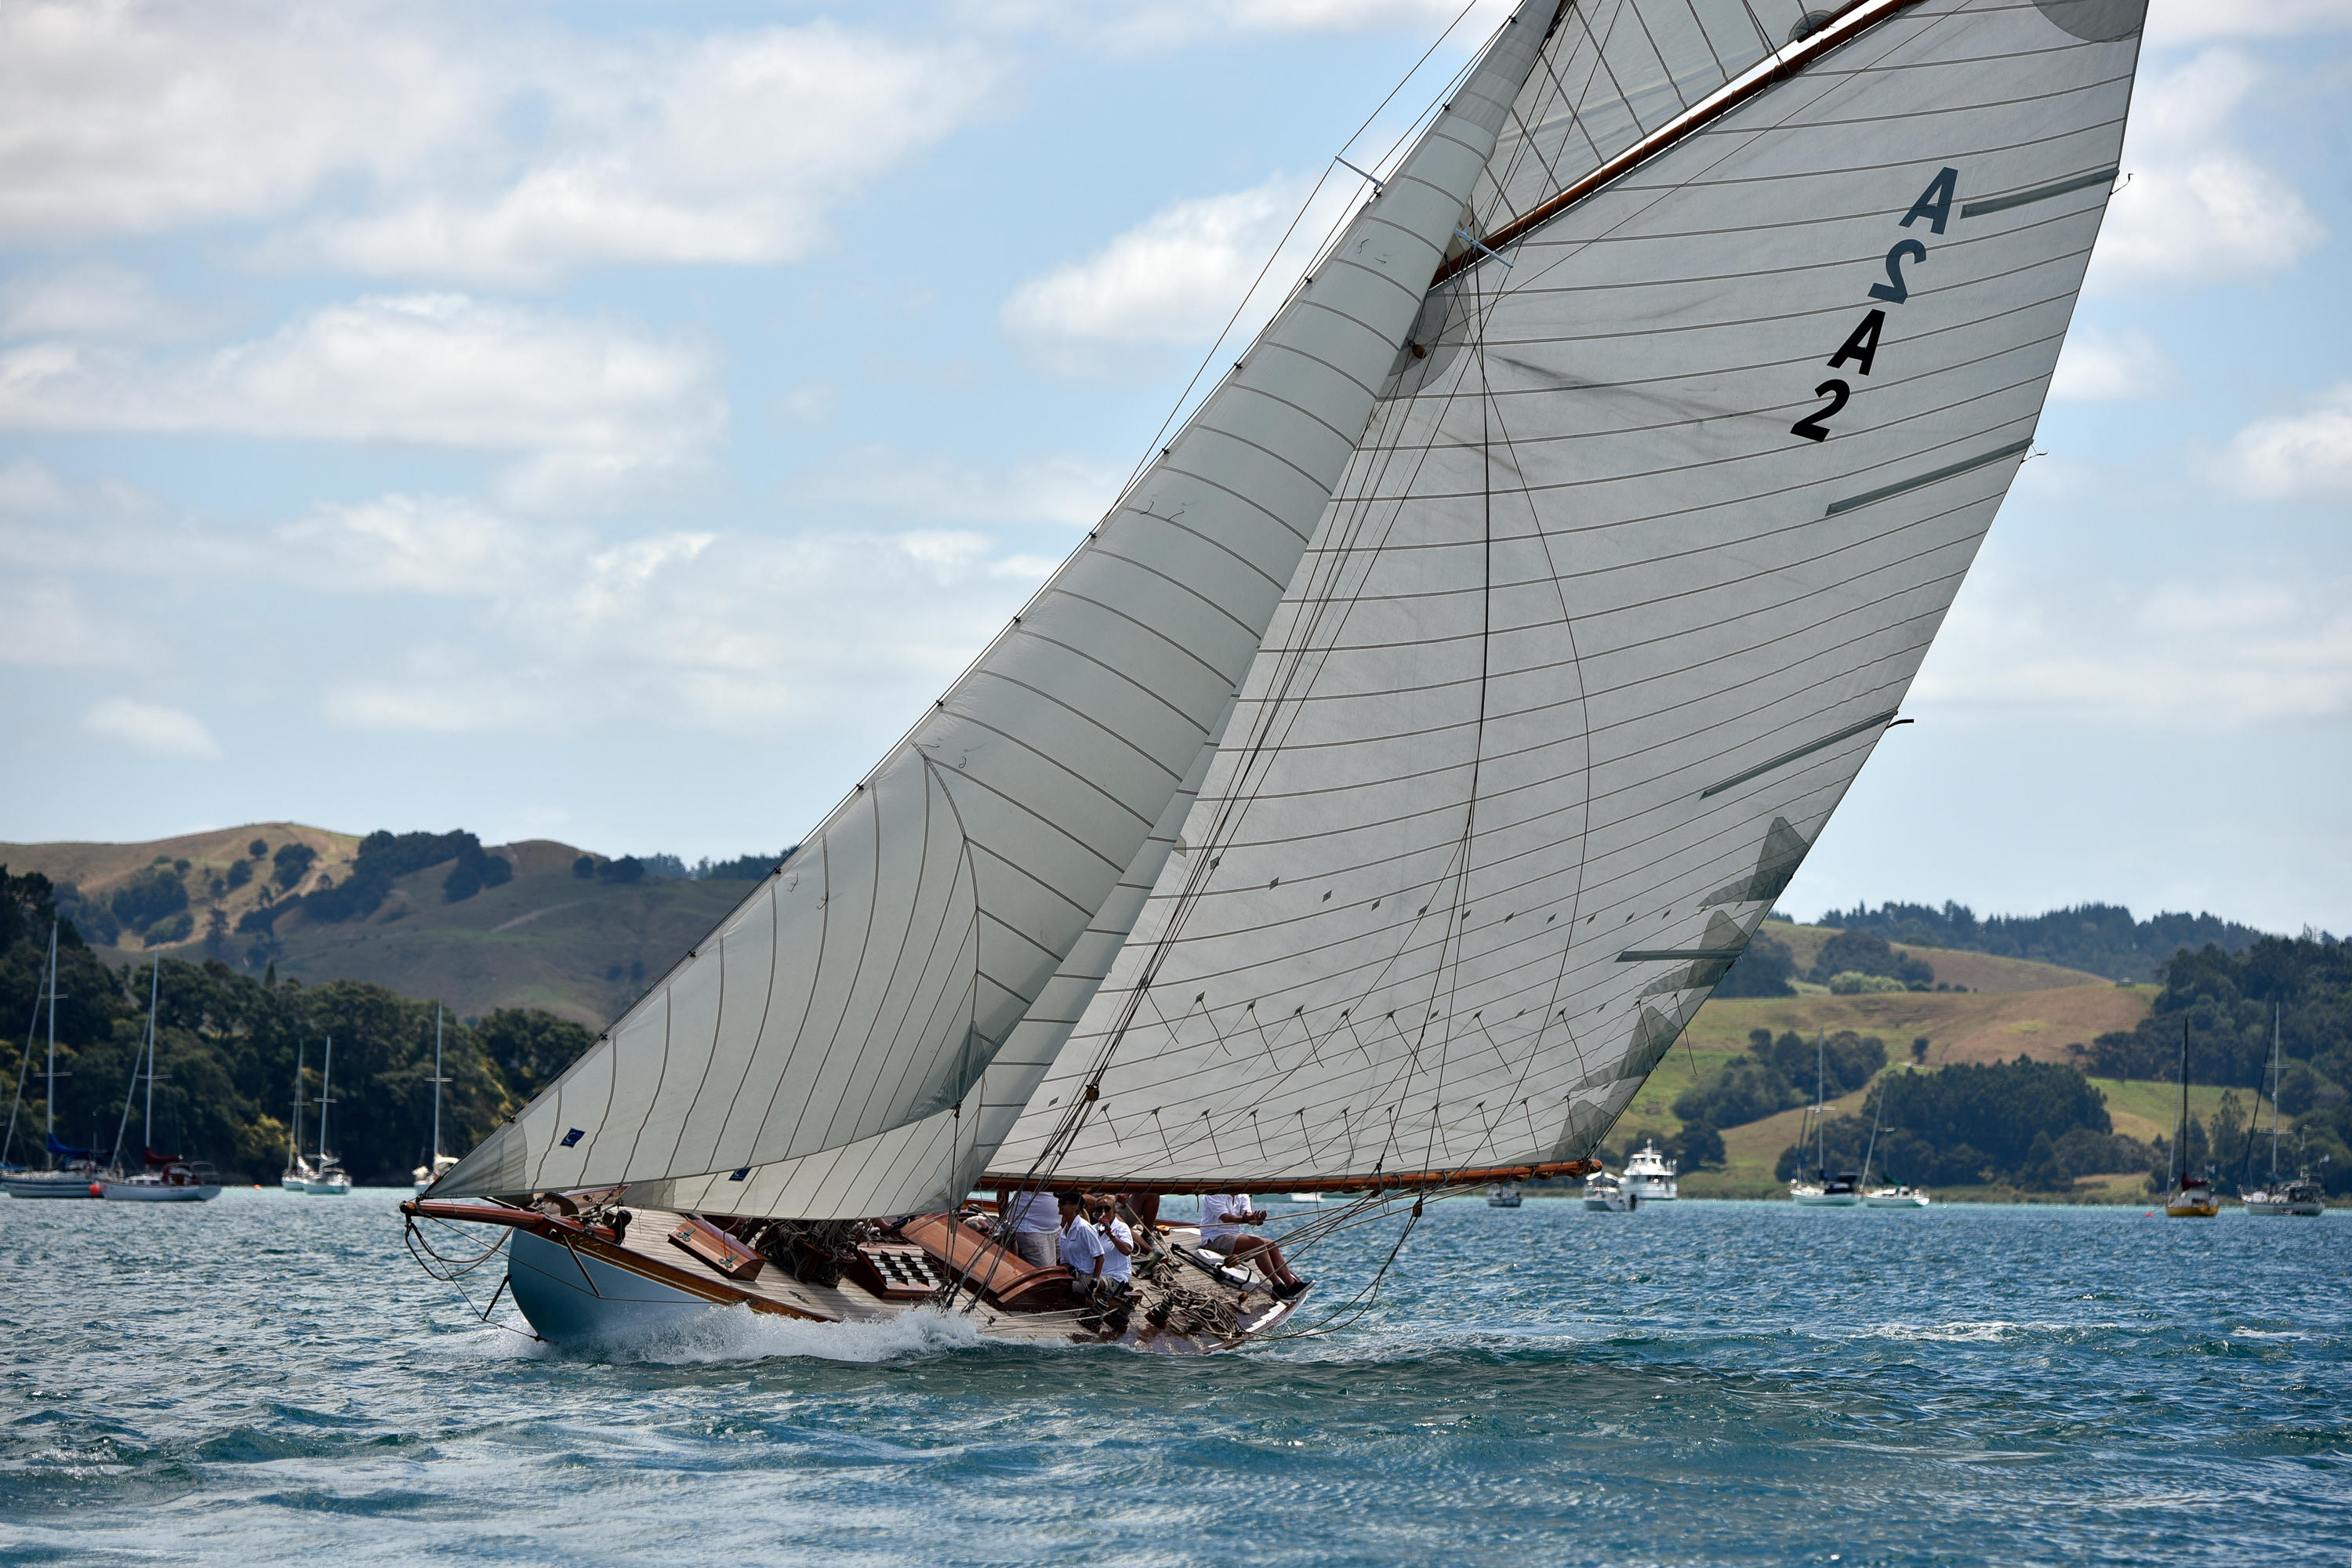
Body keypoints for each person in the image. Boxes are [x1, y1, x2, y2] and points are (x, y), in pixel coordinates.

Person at [1196, 1192, 1308, 1298]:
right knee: (1258, 1244)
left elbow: (1248, 1215)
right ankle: (1277, 1286)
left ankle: (1292, 1285)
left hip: (1233, 1236)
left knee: (1271, 1245)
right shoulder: (1213, 1194)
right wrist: (1246, 1219)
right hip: (1214, 1239)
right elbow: (1227, 1218)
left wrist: (1256, 1220)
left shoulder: (1243, 1195)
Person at [1055, 1189, 1109, 1301]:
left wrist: (1094, 1281)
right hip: (1071, 1275)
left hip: (1085, 1279)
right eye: (1059, 1201)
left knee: (1054, 1287)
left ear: (1075, 1206)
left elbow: (1100, 1258)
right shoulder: (1064, 1231)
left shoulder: (1084, 1228)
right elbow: (1064, 1262)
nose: (1059, 1204)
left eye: (1063, 1202)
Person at [996, 1183, 1059, 1269]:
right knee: (1044, 1276)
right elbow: (1003, 1186)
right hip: (1031, 1229)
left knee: (1059, 1272)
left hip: (1056, 1229)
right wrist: (1003, 1220)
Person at [1089, 1193, 1136, 1290]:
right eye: (1099, 1209)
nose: (1103, 1212)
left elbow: (1127, 1251)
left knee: (1089, 1284)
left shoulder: (1122, 1228)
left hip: (1116, 1277)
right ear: (1096, 1213)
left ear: (1114, 1210)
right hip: (1095, 1274)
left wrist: (1109, 1233)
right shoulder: (1092, 1230)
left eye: (1107, 1208)